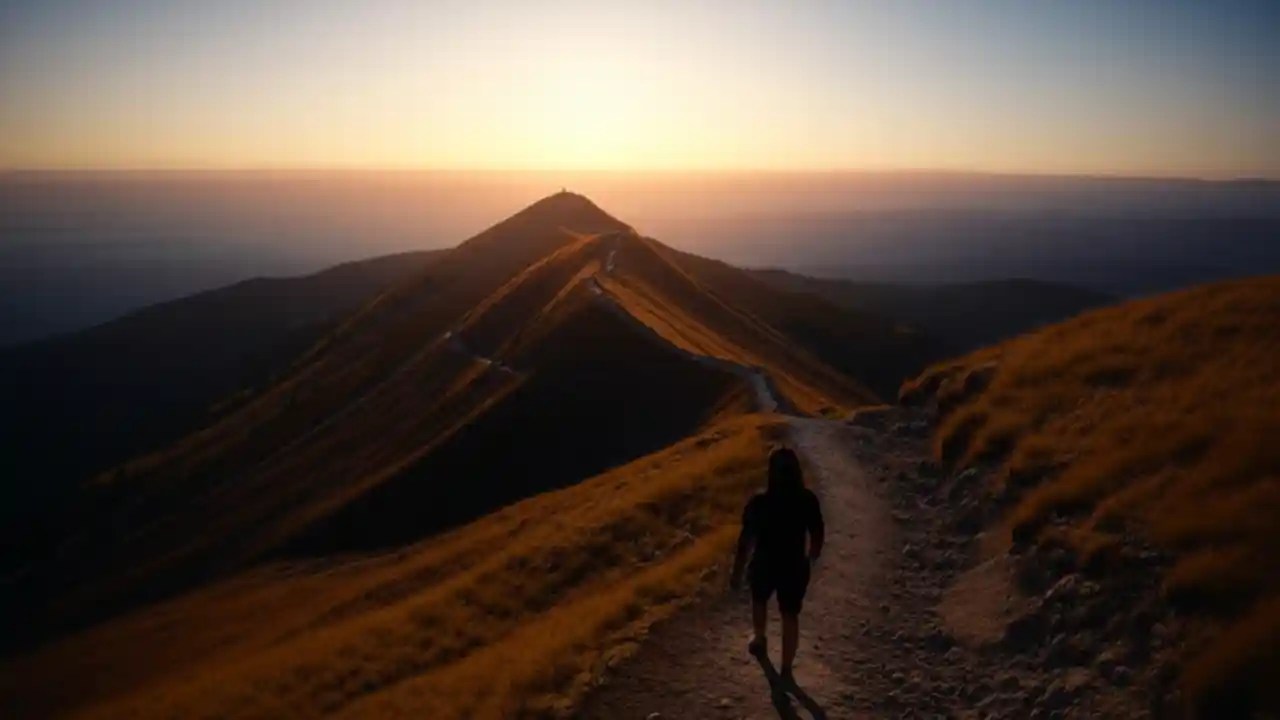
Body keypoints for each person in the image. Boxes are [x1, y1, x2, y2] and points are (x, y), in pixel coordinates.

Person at [730, 446, 825, 682]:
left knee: (759, 600)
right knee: (790, 615)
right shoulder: (807, 499)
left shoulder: (759, 502)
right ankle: (786, 668)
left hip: (765, 562)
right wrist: (812, 556)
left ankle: (760, 637)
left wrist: (737, 570)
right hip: (794, 565)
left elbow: (745, 540)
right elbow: (817, 531)